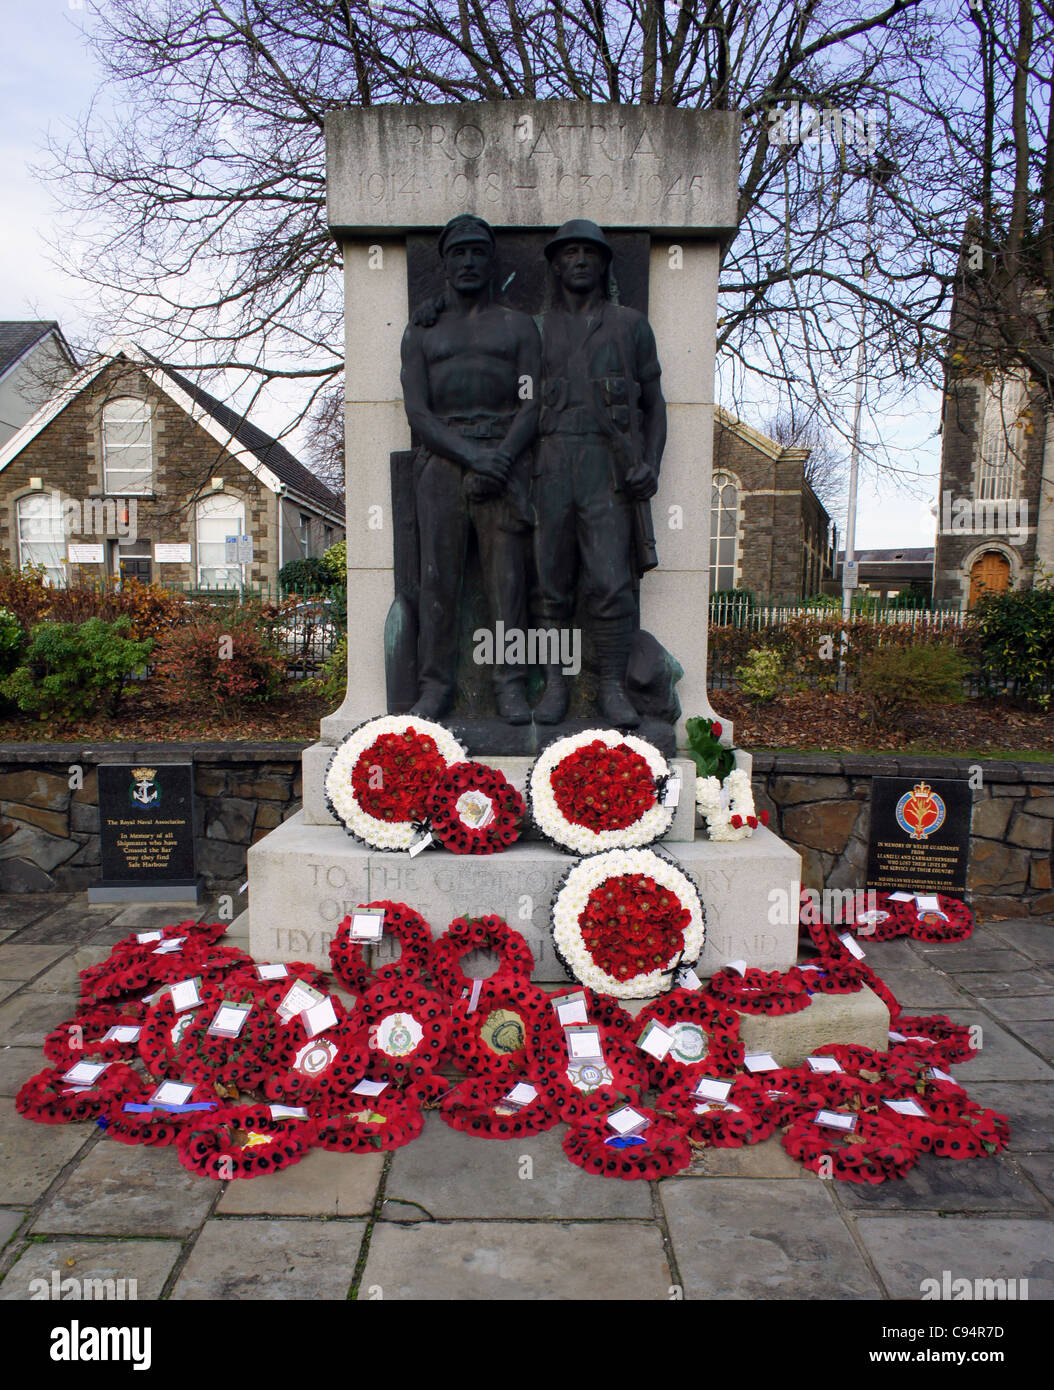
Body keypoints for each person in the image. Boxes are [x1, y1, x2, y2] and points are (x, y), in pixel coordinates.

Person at [400, 214, 541, 723]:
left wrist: (498, 457)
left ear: (490, 260)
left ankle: (510, 683)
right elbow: (418, 413)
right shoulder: (423, 331)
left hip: (503, 460)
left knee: (507, 582)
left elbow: (531, 400)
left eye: (478, 252)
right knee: (438, 579)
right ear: (444, 262)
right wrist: (471, 455)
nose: (468, 261)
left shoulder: (517, 326)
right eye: (458, 252)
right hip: (442, 463)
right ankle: (435, 685)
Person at [533, 219, 667, 727]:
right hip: (548, 464)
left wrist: (650, 464)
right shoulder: (536, 328)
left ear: (605, 262)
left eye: (590, 252)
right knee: (551, 584)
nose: (580, 260)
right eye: (569, 252)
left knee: (611, 583)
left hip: (607, 468)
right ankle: (553, 684)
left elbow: (655, 405)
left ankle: (611, 685)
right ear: (556, 263)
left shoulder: (630, 325)